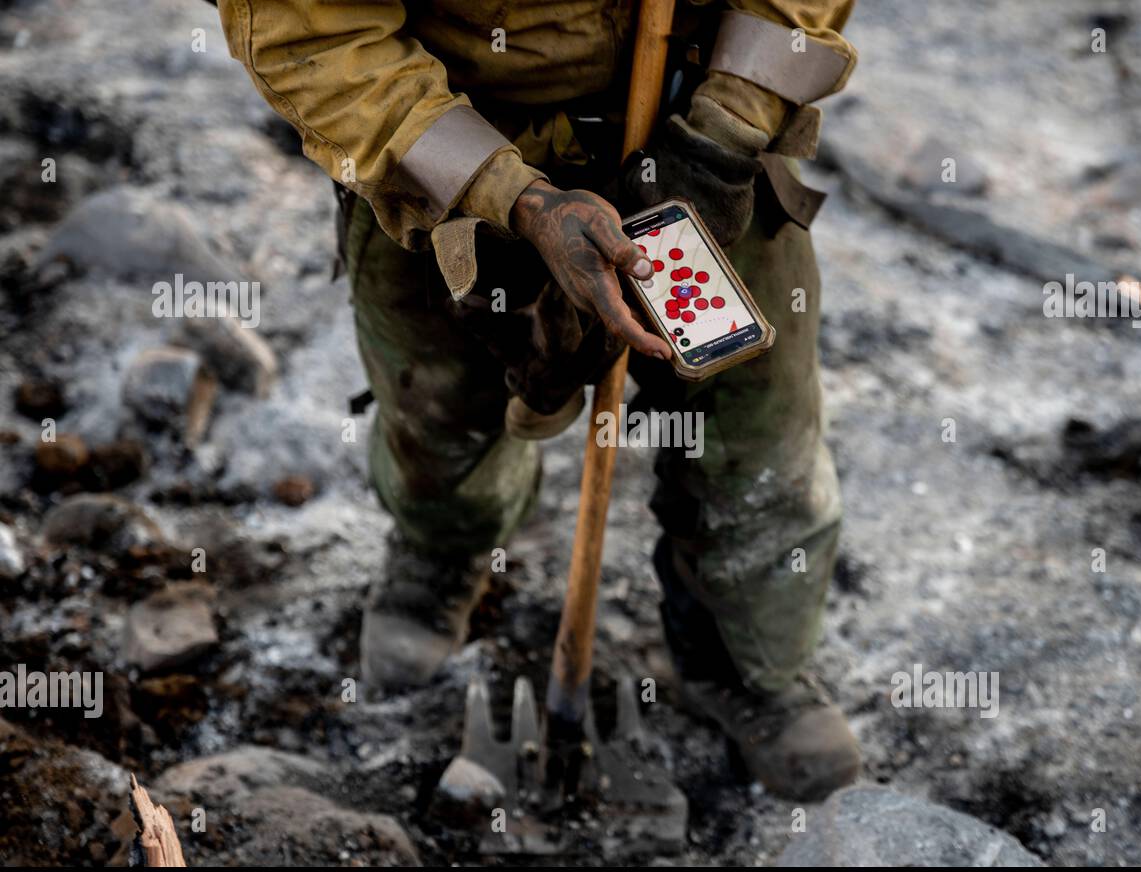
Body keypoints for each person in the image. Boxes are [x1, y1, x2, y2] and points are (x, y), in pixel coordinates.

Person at [216, 0, 860, 800]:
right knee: (438, 410)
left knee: (754, 425)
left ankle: (746, 657)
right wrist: (514, 197)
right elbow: (308, 32)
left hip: (699, 117)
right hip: (441, 140)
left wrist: (724, 132)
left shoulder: (716, 133)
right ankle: (445, 549)